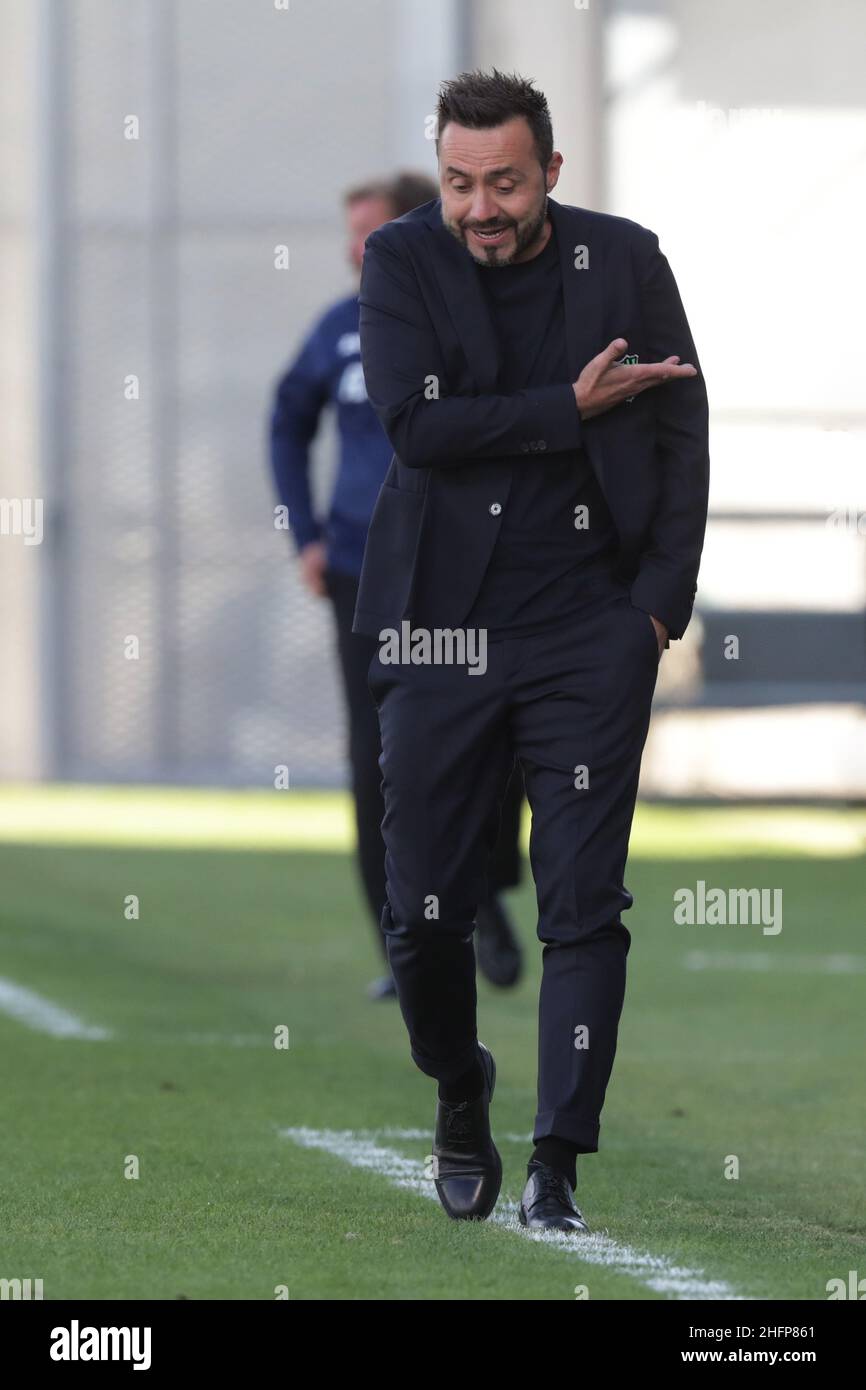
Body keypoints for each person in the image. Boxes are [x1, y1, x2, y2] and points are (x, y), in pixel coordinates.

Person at [354, 69, 709, 1231]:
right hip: (436, 625)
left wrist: (655, 605)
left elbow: (679, 421)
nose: (479, 207)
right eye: (459, 183)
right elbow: (416, 425)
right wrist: (565, 407)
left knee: (581, 904)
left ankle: (557, 1157)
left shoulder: (623, 260)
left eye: (503, 182)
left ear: (549, 171)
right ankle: (461, 1086)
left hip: (587, 631)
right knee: (420, 909)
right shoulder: (402, 260)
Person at [268, 169, 527, 1002]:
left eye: (370, 231)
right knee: (375, 755)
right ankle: (404, 943)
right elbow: (286, 418)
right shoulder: (337, 331)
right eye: (350, 233)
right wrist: (304, 533)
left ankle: (480, 886)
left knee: (493, 739)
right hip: (360, 572)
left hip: (463, 572)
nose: (356, 249)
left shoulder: (468, 322)